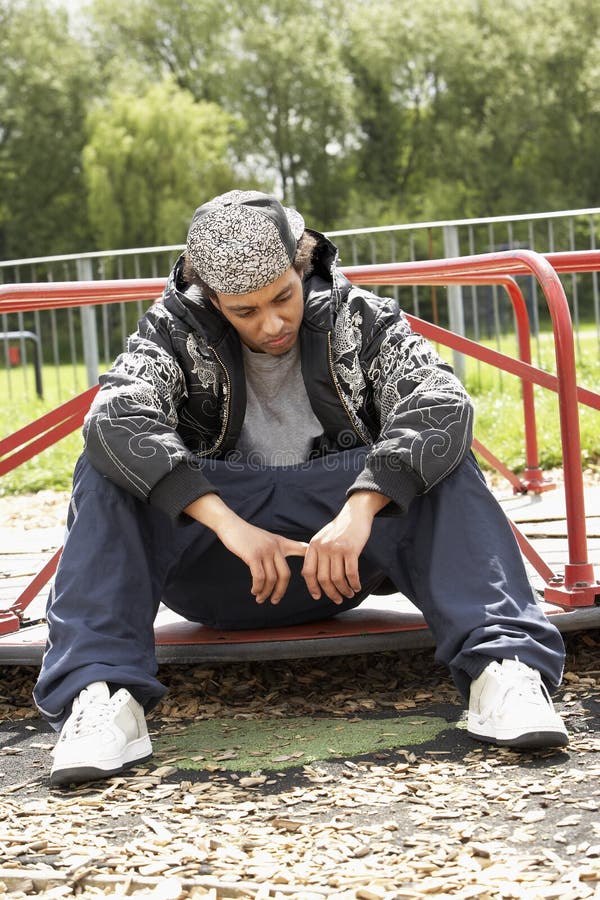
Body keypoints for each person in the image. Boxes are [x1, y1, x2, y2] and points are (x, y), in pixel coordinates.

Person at [34, 190, 568, 787]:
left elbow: (441, 403)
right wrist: (229, 525)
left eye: (282, 297)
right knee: (106, 467)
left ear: (304, 262)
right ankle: (100, 697)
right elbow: (114, 420)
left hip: (340, 556)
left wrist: (361, 508)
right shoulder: (169, 334)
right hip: (223, 564)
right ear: (211, 299)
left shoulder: (363, 318)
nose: (272, 323)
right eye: (245, 311)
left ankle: (503, 669)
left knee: (442, 454)